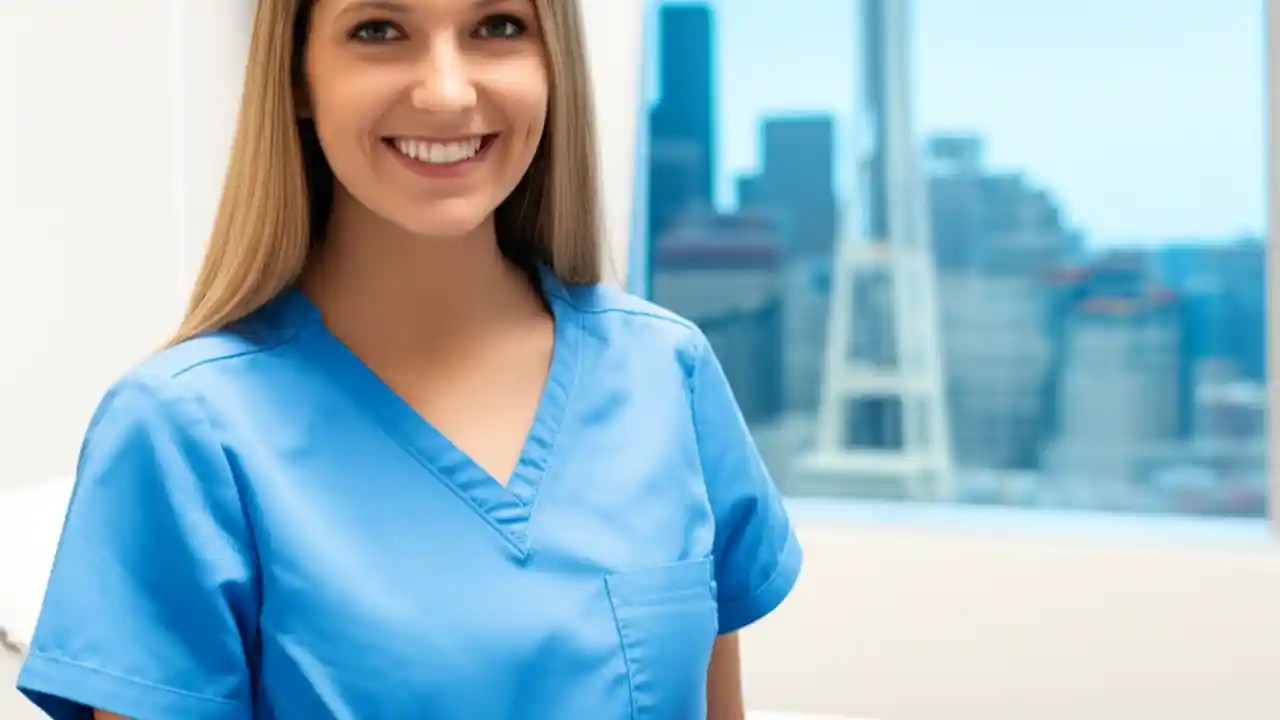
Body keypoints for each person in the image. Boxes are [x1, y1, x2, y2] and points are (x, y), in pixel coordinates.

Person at [16, 0, 802, 717]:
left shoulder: (668, 374)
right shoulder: (180, 434)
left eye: (497, 27)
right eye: (378, 30)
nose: (448, 93)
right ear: (297, 77)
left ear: (552, 62)